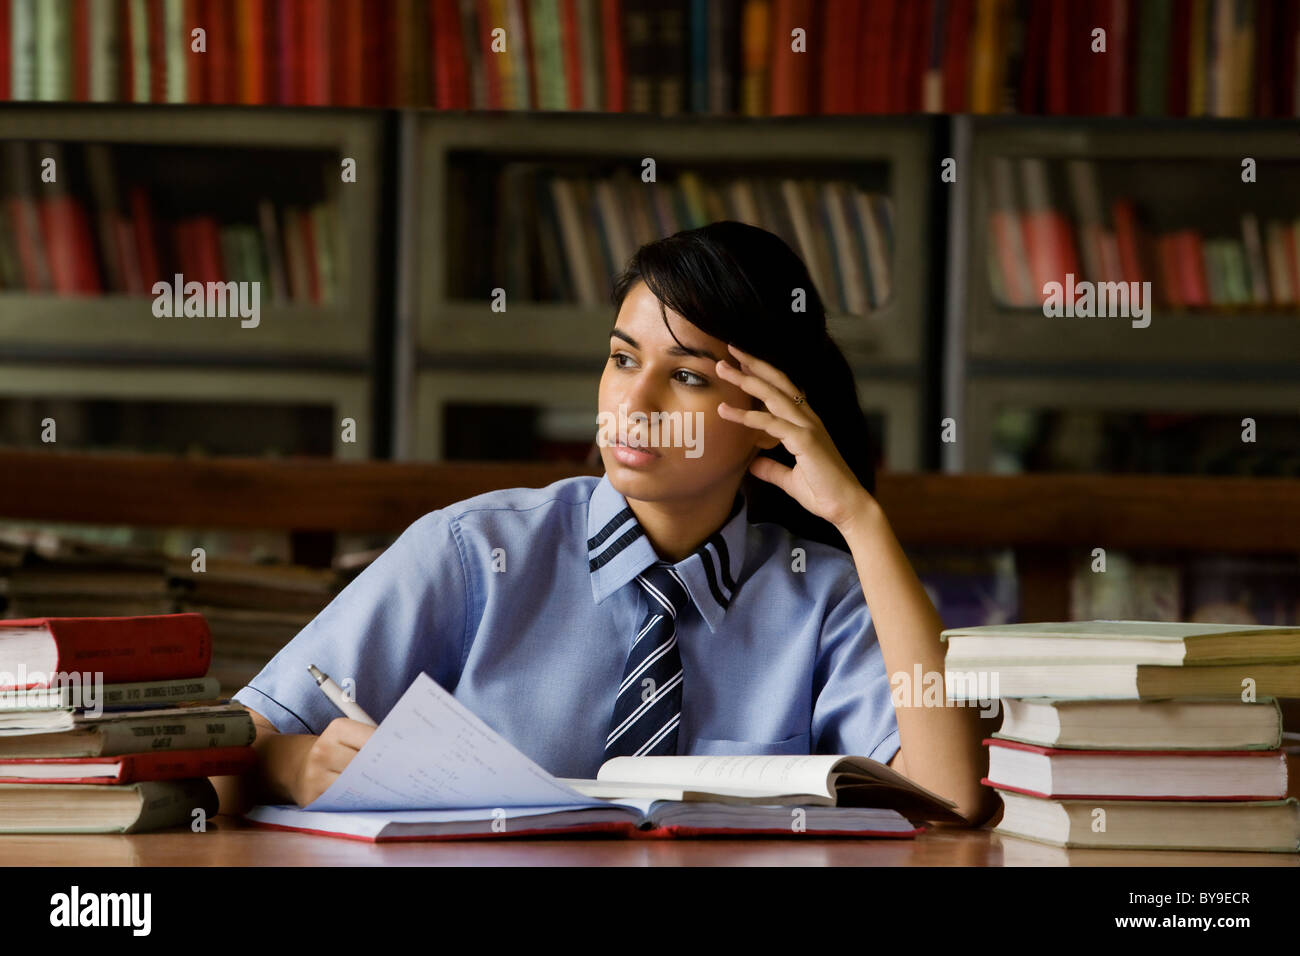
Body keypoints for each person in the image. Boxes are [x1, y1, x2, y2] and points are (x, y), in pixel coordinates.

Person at [214, 221, 997, 824]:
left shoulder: (820, 595)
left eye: (686, 375)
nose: (632, 403)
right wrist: (296, 765)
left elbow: (946, 794)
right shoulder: (472, 552)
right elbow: (219, 751)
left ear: (770, 418)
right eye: (623, 359)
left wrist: (859, 519)